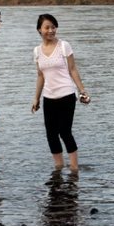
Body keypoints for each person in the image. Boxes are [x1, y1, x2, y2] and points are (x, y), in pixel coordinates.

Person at [30, 13, 89, 172]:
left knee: (65, 131)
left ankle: (74, 169)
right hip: (48, 97)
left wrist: (82, 91)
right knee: (51, 134)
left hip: (67, 95)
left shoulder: (64, 46)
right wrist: (36, 98)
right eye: (47, 27)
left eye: (53, 27)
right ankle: (58, 167)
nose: (51, 30)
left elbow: (72, 70)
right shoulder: (36, 51)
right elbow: (40, 75)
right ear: (39, 30)